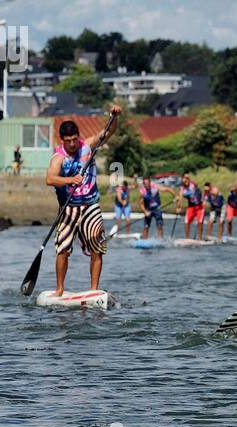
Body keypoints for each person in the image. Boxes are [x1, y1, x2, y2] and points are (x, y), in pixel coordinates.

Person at [44, 107, 121, 296]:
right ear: (62, 140)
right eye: (68, 141)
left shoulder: (88, 146)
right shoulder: (58, 158)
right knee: (62, 248)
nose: (72, 144)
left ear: (78, 136)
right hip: (69, 207)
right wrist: (70, 180)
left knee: (97, 246)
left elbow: (109, 131)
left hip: (91, 204)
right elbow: (50, 179)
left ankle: (94, 290)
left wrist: (114, 116)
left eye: (74, 139)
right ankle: (59, 290)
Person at [138, 175, 166, 240]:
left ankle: (161, 240)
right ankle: (144, 240)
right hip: (148, 209)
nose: (146, 185)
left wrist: (176, 197)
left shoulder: (155, 187)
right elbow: (140, 203)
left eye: (147, 183)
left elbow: (168, 189)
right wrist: (145, 211)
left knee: (159, 226)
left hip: (157, 209)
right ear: (143, 183)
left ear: (150, 183)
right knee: (146, 226)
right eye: (145, 184)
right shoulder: (142, 191)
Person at [180, 173, 205, 240]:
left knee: (199, 222)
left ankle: (199, 238)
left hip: (199, 206)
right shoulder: (182, 187)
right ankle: (187, 238)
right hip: (191, 206)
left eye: (187, 180)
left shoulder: (193, 184)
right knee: (186, 222)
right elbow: (181, 196)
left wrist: (188, 178)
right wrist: (179, 206)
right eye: (184, 181)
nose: (186, 182)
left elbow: (195, 185)